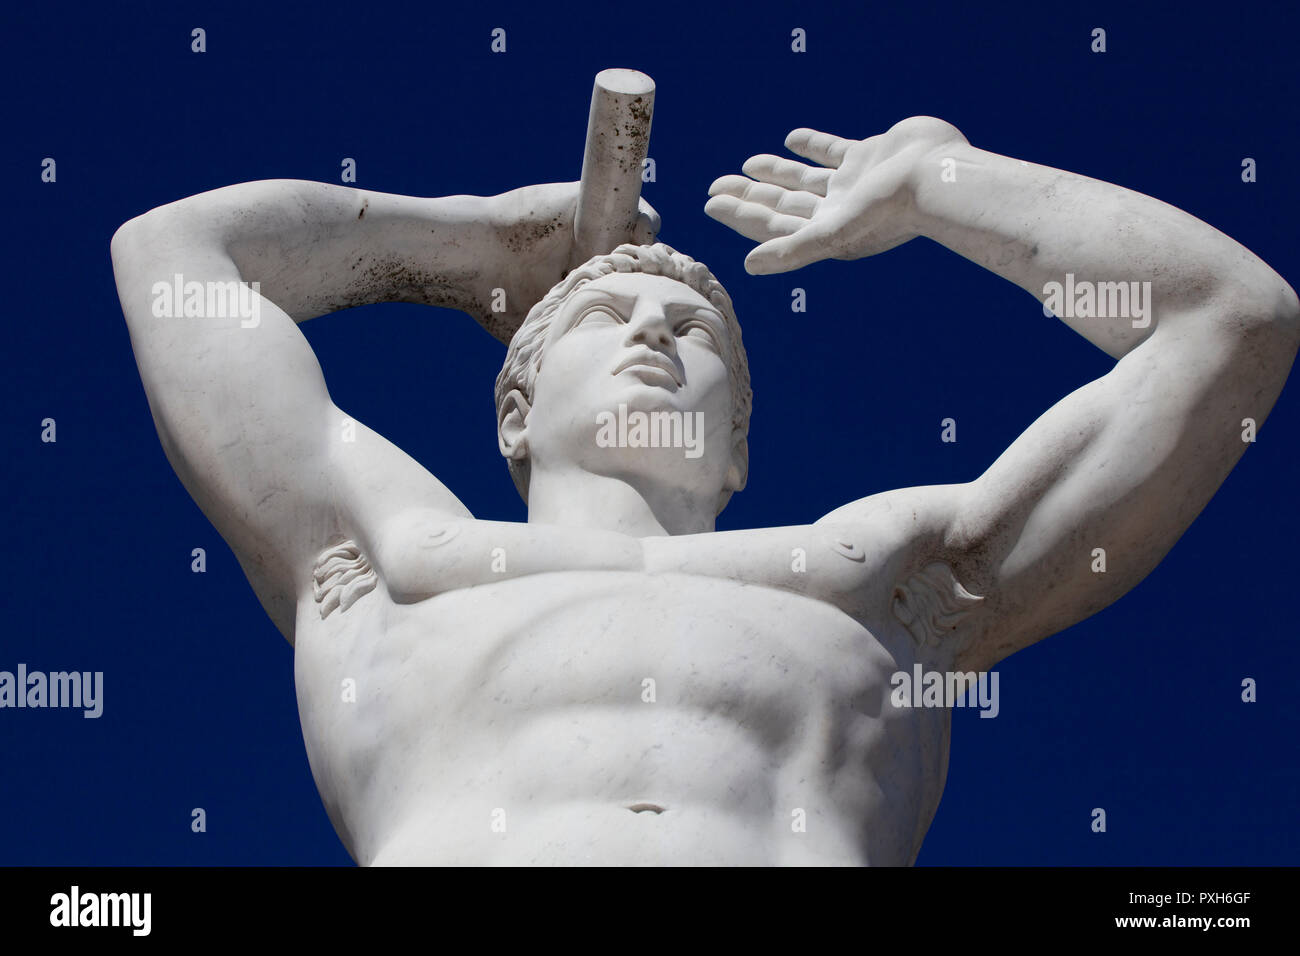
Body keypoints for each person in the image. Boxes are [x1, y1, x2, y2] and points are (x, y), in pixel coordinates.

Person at [110, 115, 1299, 865]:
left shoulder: (891, 575)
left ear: (736, 445)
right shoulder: (388, 546)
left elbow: (1227, 322)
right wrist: (476, 249)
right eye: (605, 313)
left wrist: (939, 184)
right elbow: (174, 262)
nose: (653, 330)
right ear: (514, 408)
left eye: (694, 324)